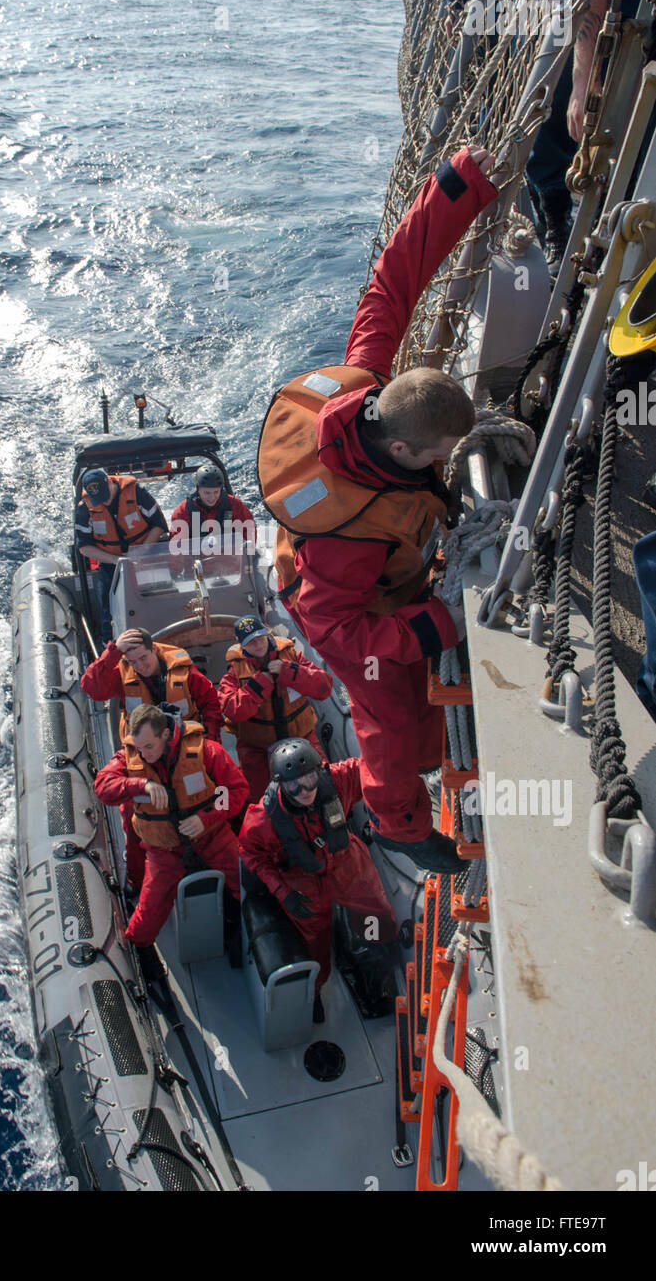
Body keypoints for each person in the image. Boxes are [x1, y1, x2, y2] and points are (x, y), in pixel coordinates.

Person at [258, 146, 498, 872]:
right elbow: (341, 627)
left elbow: (391, 286)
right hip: (331, 604)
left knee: (409, 697)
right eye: (433, 459)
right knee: (387, 716)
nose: (439, 467)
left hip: (381, 575)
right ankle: (395, 821)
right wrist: (434, 622)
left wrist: (456, 185)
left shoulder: (368, 383)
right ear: (399, 453)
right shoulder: (347, 535)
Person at [239, 739, 398, 1023]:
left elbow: (373, 764)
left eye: (310, 779)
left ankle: (380, 958)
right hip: (303, 883)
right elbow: (252, 855)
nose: (305, 791)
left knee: (374, 913)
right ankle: (313, 992)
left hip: (347, 863)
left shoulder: (338, 780)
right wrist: (282, 891)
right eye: (294, 786)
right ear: (280, 785)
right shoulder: (262, 820)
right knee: (314, 943)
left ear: (319, 772)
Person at [93, 703, 248, 950]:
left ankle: (250, 935)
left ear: (165, 734)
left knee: (247, 883)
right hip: (163, 849)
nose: (143, 755)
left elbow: (234, 790)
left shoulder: (206, 751)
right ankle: (142, 956)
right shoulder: (131, 756)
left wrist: (206, 818)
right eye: (139, 748)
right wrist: (141, 785)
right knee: (148, 914)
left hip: (212, 837)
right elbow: (103, 787)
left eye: (149, 747)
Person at [80, 626, 223, 890]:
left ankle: (210, 871)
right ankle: (136, 881)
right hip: (142, 758)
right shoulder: (123, 675)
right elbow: (91, 688)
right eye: (132, 661)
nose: (140, 666)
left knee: (210, 806)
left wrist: (211, 744)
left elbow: (211, 704)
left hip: (186, 752)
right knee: (135, 823)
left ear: (154, 650)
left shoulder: (185, 673)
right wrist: (113, 652)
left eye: (143, 658)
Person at [218, 615, 333, 803]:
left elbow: (324, 687)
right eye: (251, 642)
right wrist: (259, 685)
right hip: (258, 750)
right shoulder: (234, 672)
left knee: (325, 787)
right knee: (261, 802)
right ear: (241, 646)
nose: (258, 645)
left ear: (267, 634)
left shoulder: (291, 655)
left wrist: (288, 671)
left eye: (260, 638)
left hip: (302, 738)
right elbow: (232, 710)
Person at [74, 467, 168, 642]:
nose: (104, 502)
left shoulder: (136, 493)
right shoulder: (85, 507)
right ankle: (109, 646)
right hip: (111, 564)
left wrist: (141, 553)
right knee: (108, 611)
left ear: (110, 482)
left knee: (161, 601)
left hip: (146, 557)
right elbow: (84, 547)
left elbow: (158, 525)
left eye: (105, 495)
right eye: (98, 499)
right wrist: (117, 560)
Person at [169, 465, 257, 557]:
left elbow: (249, 530)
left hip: (230, 560)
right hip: (197, 564)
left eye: (216, 492)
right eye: (207, 493)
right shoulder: (183, 511)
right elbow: (176, 548)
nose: (212, 498)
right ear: (198, 489)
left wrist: (245, 557)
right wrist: (178, 569)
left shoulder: (234, 505)